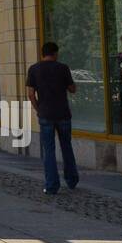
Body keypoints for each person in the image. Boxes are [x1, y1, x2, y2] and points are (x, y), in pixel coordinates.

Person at [26, 41, 79, 195]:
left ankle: (51, 186)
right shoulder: (63, 68)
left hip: (46, 114)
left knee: (48, 150)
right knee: (66, 147)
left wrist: (39, 109)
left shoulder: (34, 69)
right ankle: (72, 179)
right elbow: (72, 89)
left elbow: (30, 94)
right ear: (55, 53)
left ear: (42, 53)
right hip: (63, 114)